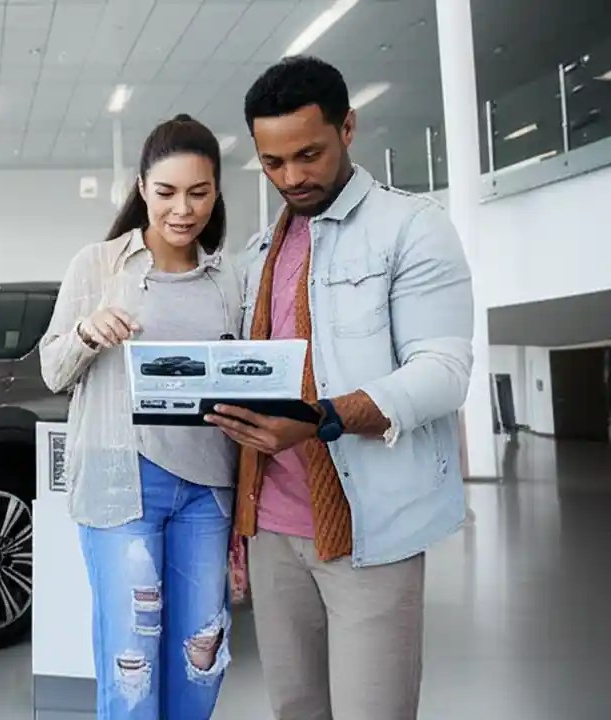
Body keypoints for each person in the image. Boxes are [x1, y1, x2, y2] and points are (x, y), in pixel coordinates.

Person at [204, 56, 475, 720]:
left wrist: (322, 417)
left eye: (309, 154)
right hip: (270, 526)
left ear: (348, 127)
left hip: (369, 528)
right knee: (295, 709)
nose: (292, 177)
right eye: (273, 163)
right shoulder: (260, 250)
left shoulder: (412, 227)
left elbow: (444, 372)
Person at [40, 114, 242, 720]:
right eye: (166, 192)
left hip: (209, 488)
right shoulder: (98, 267)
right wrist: (86, 331)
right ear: (142, 188)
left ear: (217, 192)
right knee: (135, 668)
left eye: (199, 192)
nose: (183, 209)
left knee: (199, 660)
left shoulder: (231, 278)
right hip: (122, 485)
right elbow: (53, 370)